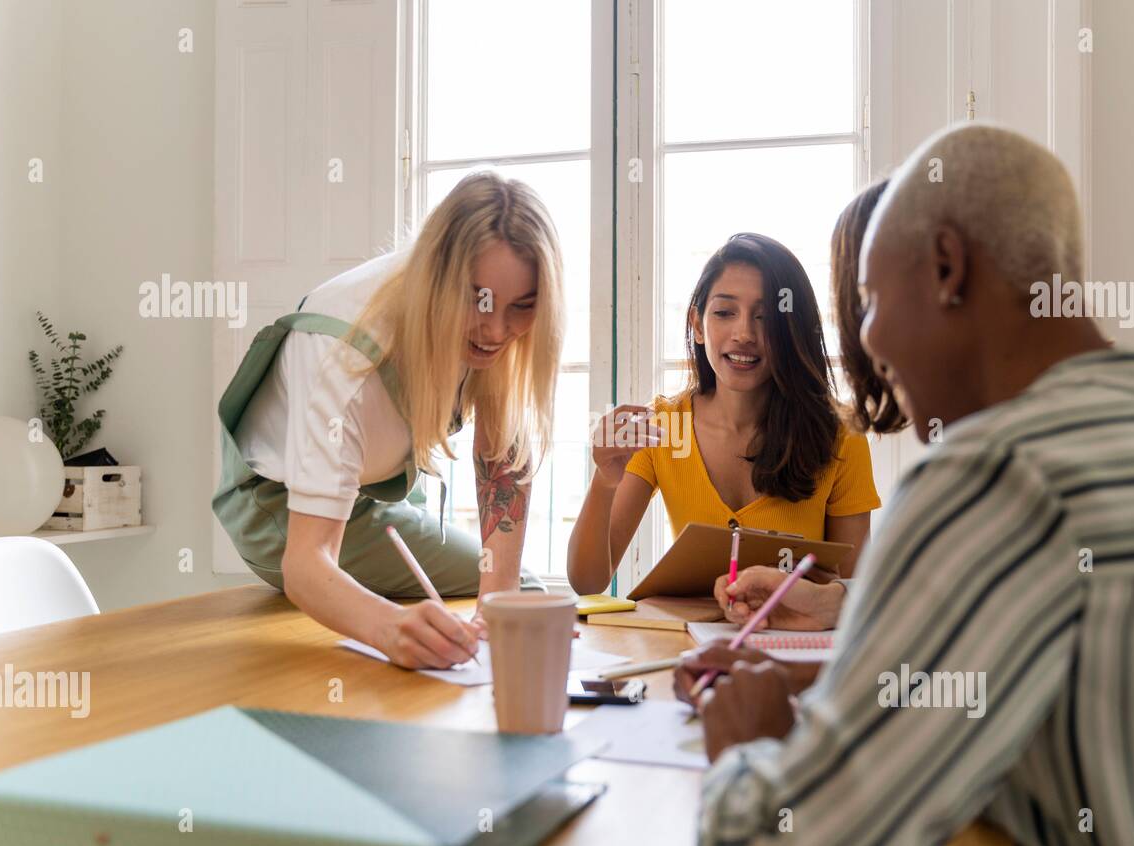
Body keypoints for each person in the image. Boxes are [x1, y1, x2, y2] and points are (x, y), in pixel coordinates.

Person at [682, 123, 1134, 846]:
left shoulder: (995, 476)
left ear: (946, 267)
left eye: (871, 298)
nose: (867, 340)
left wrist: (749, 742)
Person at [213, 171, 564, 670]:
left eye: (523, 307)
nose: (497, 330)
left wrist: (495, 608)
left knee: (515, 601)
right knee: (416, 626)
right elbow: (307, 566)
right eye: (477, 301)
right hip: (279, 511)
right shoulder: (344, 357)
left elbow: (501, 463)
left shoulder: (494, 317)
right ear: (436, 278)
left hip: (376, 496)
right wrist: (389, 630)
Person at [566, 233, 881, 596]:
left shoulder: (840, 437)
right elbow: (587, 582)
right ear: (698, 326)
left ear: (790, 330)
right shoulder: (667, 427)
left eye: (764, 317)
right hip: (684, 646)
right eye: (724, 312)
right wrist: (604, 482)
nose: (744, 333)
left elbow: (855, 596)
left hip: (789, 647)